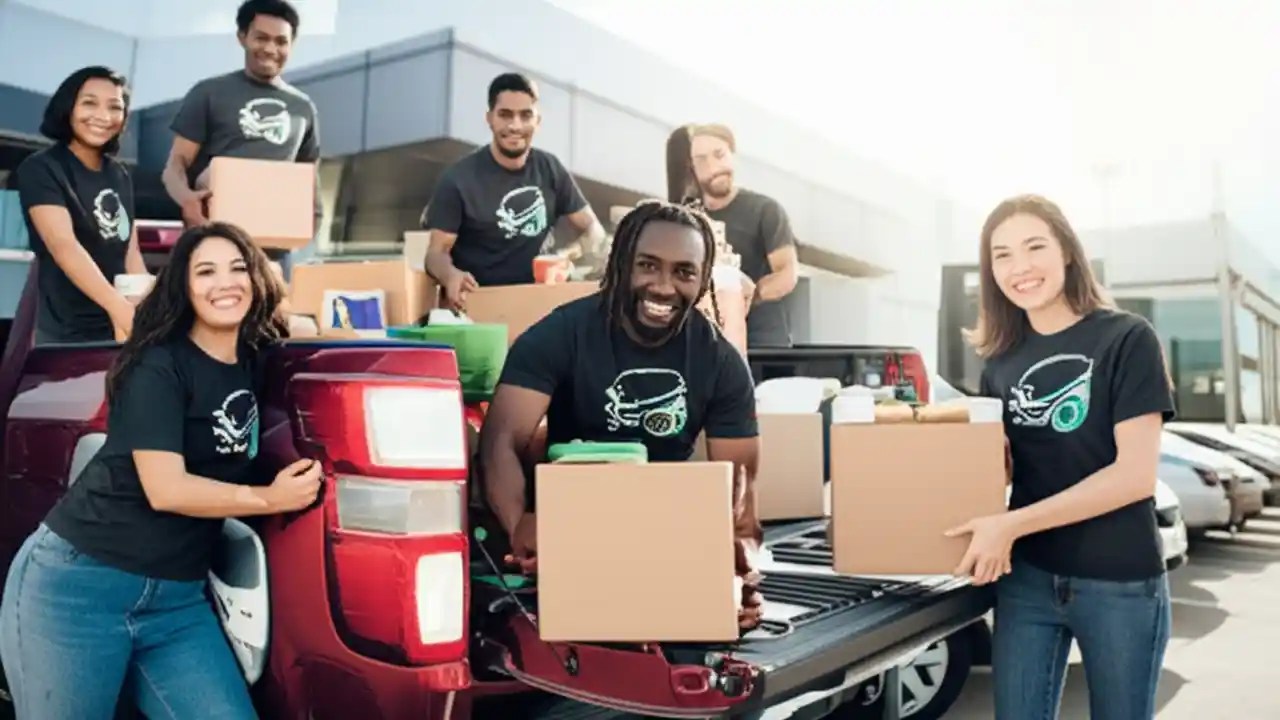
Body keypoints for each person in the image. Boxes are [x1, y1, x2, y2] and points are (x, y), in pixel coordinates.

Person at [0, 222, 322, 719]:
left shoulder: (252, 356)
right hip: (78, 591)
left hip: (175, 602)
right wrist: (269, 499)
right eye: (206, 272)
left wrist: (303, 317)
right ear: (183, 287)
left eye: (239, 269)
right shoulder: (159, 365)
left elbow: (302, 328)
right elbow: (166, 489)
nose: (225, 282)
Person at [478, 199, 764, 630]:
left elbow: (740, 487)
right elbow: (500, 441)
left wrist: (738, 571)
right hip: (568, 523)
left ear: (703, 279)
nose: (664, 287)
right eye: (648, 265)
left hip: (665, 529)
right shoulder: (560, 334)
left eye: (684, 272)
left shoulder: (720, 361)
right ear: (621, 265)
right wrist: (521, 526)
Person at [949, 194, 1175, 720]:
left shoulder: (1126, 339)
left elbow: (1135, 476)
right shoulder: (1000, 359)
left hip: (1118, 581)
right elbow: (1014, 470)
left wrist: (1011, 524)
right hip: (1028, 580)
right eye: (1002, 255)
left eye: (1034, 247)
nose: (1020, 267)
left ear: (1067, 253)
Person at [161, 0, 321, 278]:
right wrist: (187, 200)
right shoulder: (209, 93)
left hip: (273, 253)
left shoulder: (303, 107)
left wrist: (309, 227)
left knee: (271, 321)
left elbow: (309, 180)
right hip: (214, 242)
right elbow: (175, 165)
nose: (271, 49)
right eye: (261, 38)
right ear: (242, 37)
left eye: (281, 41)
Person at [424, 72, 606, 310]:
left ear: (537, 121)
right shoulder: (458, 179)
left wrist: (567, 255)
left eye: (525, 115)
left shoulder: (550, 168)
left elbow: (593, 228)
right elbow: (435, 254)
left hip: (539, 305)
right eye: (505, 115)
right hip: (478, 305)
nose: (515, 125)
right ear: (490, 119)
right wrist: (450, 276)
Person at [15, 65, 147, 345]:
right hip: (65, 331)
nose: (103, 116)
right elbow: (64, 245)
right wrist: (118, 307)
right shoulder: (42, 168)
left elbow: (130, 253)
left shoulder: (119, 174)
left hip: (118, 325)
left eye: (115, 107)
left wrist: (145, 307)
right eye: (89, 103)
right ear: (68, 107)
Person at [683, 123, 799, 348]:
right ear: (693, 169)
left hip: (763, 346)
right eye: (701, 160)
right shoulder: (685, 219)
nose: (713, 167)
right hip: (707, 343)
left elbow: (787, 273)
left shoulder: (765, 210)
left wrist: (749, 294)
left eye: (719, 155)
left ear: (732, 155)